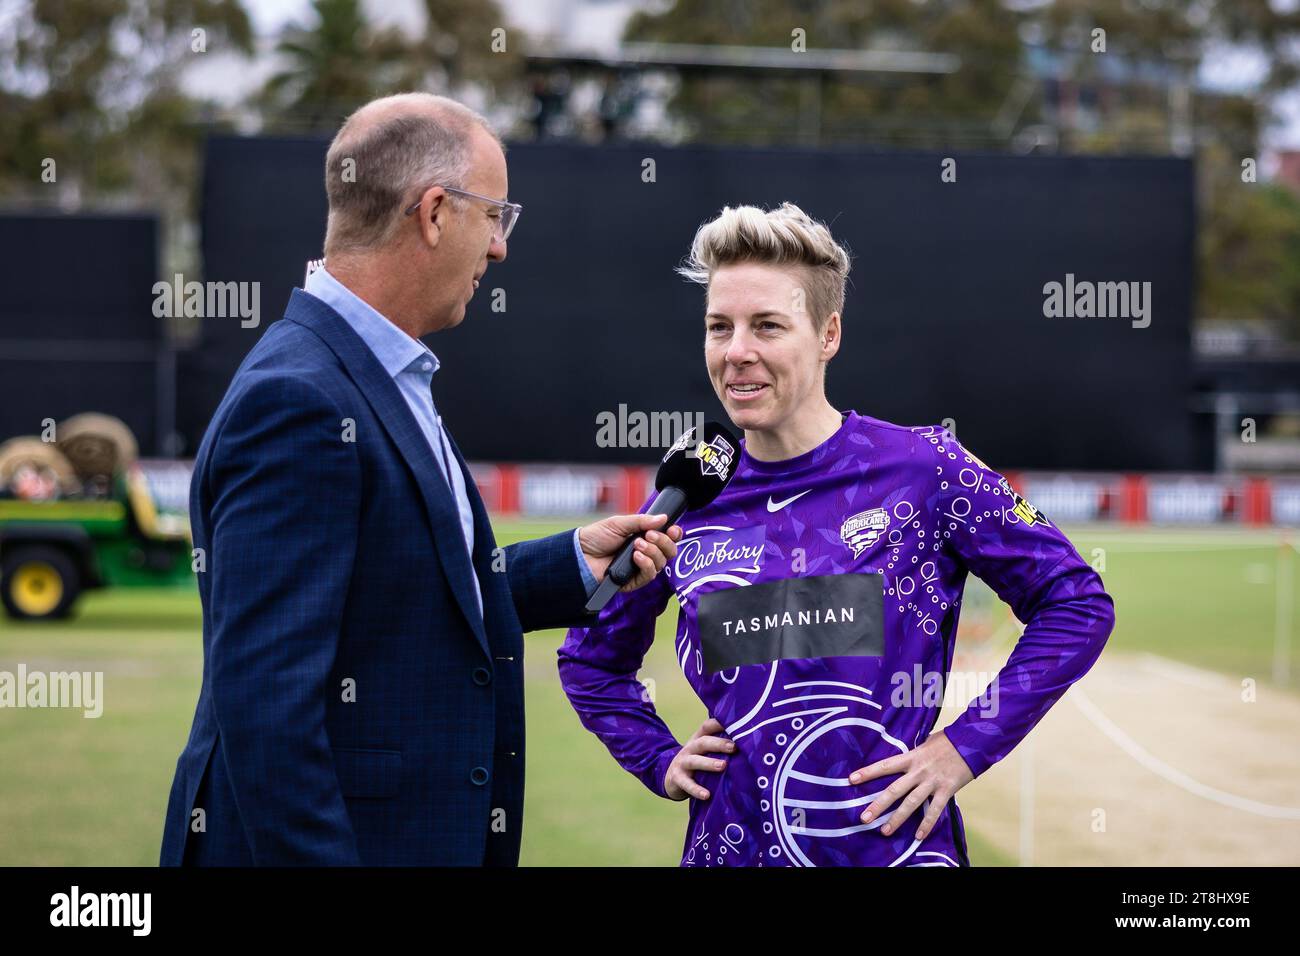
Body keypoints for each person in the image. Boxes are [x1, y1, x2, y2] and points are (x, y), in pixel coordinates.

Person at [160, 93, 680, 867]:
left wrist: (571, 564)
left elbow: (401, 599)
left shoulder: (371, 370)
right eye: (495, 215)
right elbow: (267, 712)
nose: (501, 247)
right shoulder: (300, 399)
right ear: (434, 212)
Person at [558, 202, 1115, 867]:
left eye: (767, 325)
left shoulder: (924, 470)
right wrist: (658, 757)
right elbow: (591, 657)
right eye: (719, 327)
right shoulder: (689, 500)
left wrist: (963, 748)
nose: (738, 352)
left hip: (894, 852)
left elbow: (1076, 603)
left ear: (828, 335)